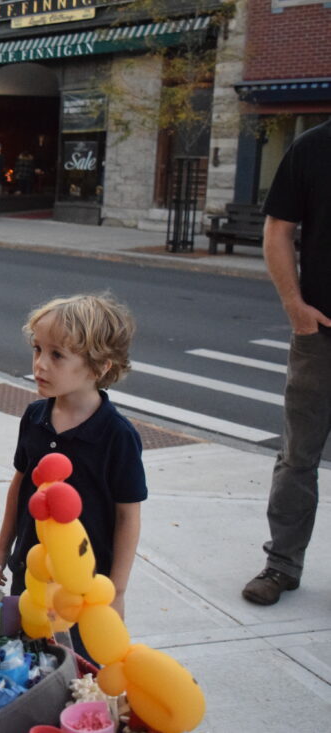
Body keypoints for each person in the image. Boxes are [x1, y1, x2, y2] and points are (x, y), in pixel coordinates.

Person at [0, 294, 145, 652]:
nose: (40, 364)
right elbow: (20, 485)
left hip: (84, 584)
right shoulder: (35, 417)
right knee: (27, 657)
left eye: (57, 355)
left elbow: (127, 515)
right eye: (37, 349)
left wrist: (117, 591)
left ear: (99, 367)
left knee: (77, 666)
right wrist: (2, 548)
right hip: (30, 572)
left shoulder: (117, 435)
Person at [242, 119, 331, 606]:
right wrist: (295, 307)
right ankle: (282, 564)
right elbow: (278, 230)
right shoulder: (312, 147)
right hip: (321, 335)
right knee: (298, 456)